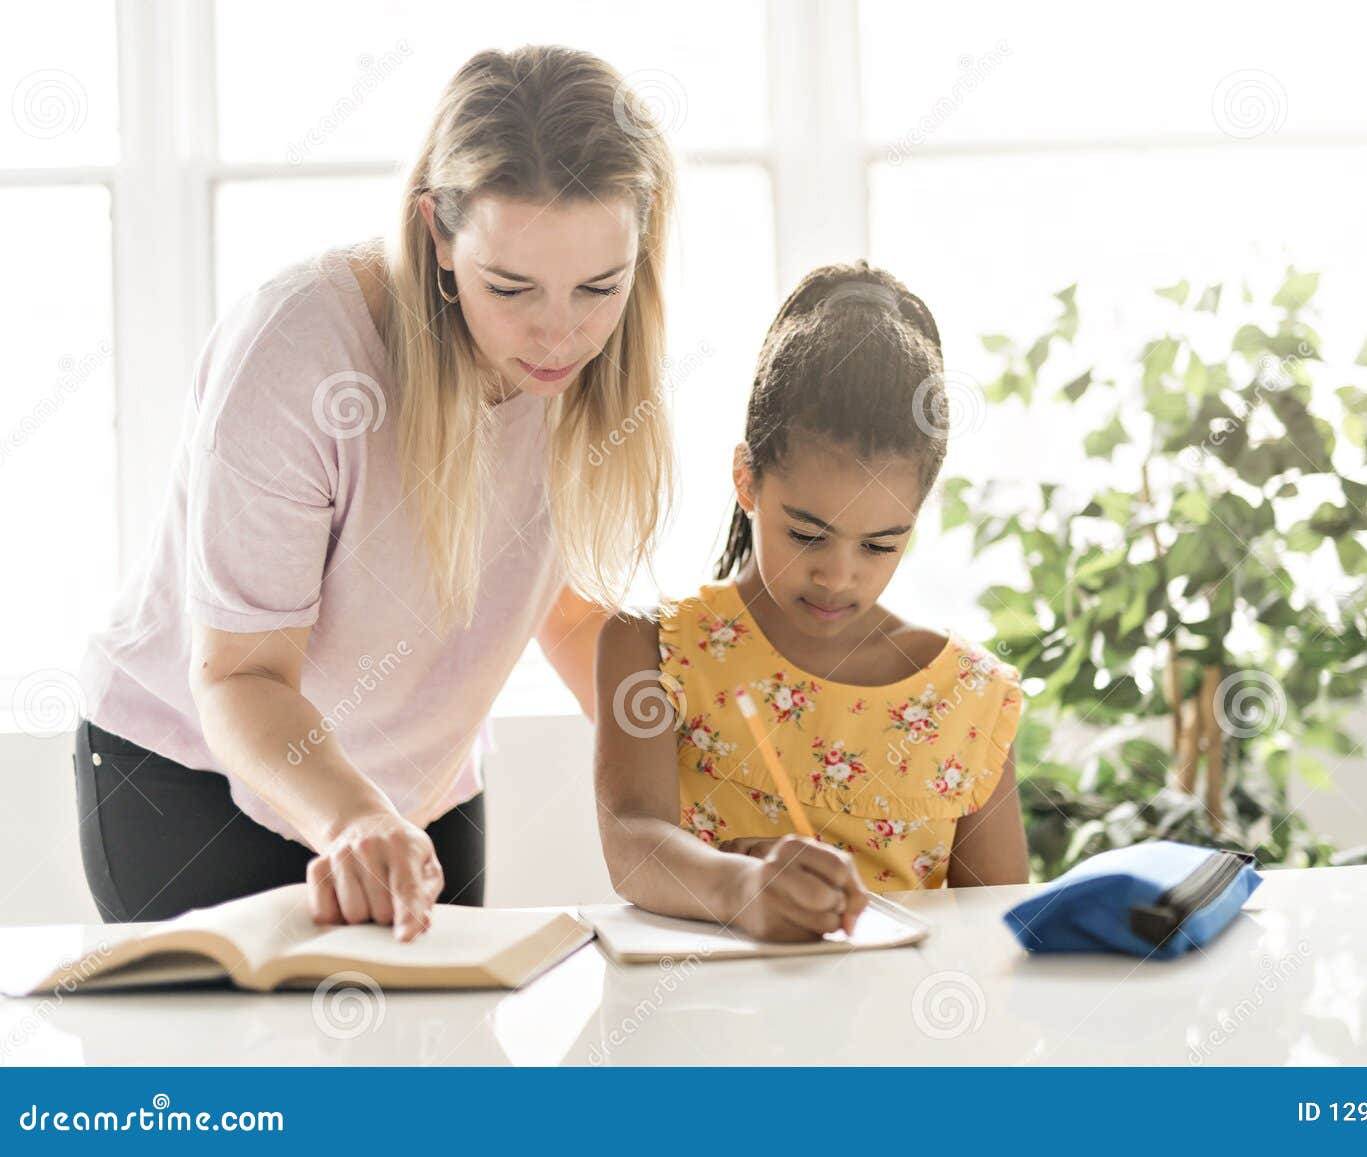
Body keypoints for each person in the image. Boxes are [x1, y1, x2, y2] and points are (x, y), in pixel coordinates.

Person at [73, 45, 676, 939]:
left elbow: (565, 607)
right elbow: (242, 673)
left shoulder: (591, 361)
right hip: (195, 776)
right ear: (436, 230)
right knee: (276, 1079)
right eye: (510, 286)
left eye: (600, 286)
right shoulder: (302, 351)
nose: (562, 332)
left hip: (418, 788)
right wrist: (352, 818)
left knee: (443, 1073)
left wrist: (710, 787)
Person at [594, 261, 1029, 942]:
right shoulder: (653, 649)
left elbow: (997, 935)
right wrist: (741, 887)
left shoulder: (970, 698)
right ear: (747, 479)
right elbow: (633, 842)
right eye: (806, 533)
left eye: (880, 544)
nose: (837, 575)